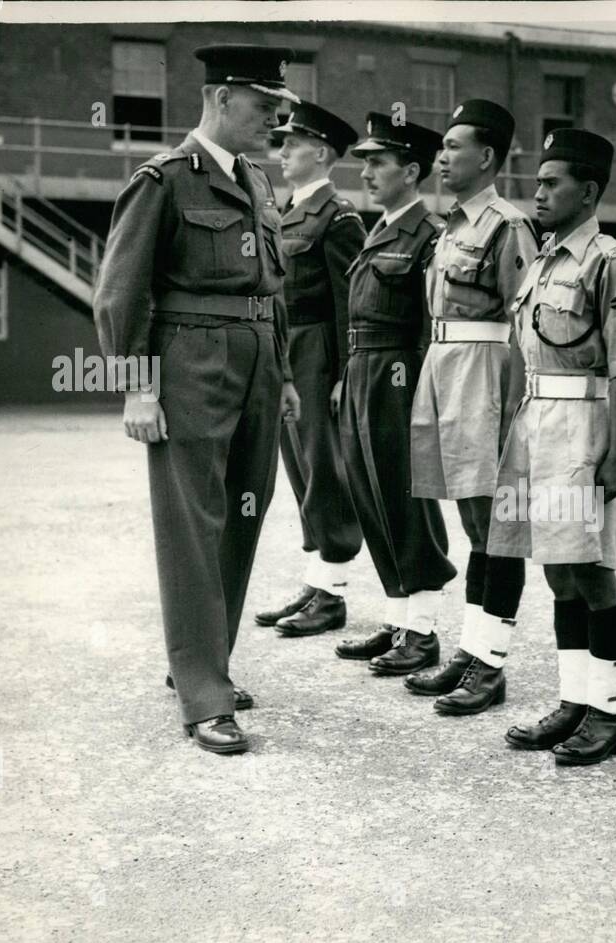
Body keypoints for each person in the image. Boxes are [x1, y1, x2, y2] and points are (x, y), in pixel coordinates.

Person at [94, 43, 299, 754]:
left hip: (260, 364)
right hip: (190, 360)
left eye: (280, 108)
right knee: (192, 523)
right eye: (264, 106)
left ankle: (203, 660)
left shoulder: (259, 184)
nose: (275, 119)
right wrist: (136, 387)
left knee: (244, 511)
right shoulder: (164, 180)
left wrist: (288, 379)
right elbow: (123, 293)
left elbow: (273, 290)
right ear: (220, 99)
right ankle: (204, 693)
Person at [490, 128, 616, 765]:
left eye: (553, 183)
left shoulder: (610, 261)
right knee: (557, 571)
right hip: (539, 424)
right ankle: (573, 702)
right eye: (537, 181)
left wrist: (613, 456)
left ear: (588, 191)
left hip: (584, 427)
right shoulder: (545, 260)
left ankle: (609, 714)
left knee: (591, 572)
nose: (539, 193)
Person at [405, 100, 540, 716]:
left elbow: (526, 326)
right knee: (471, 524)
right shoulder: (452, 225)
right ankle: (472, 648)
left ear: (486, 157)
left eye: (455, 146)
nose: (441, 155)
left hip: (483, 378)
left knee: (494, 527)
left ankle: (491, 663)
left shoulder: (507, 226)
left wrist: (514, 407)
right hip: (445, 371)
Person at [335, 112, 458, 673]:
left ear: (411, 171)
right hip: (363, 369)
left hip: (400, 373)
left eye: (377, 162)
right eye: (363, 161)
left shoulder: (430, 235)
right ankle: (399, 617)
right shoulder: (380, 229)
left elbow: (431, 323)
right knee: (369, 491)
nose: (366, 172)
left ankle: (425, 629)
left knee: (405, 498)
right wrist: (346, 377)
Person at [253, 100, 366, 637]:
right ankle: (317, 579)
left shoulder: (338, 216)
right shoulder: (283, 212)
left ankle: (333, 592)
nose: (281, 153)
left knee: (323, 464)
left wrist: (347, 372)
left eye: (291, 145)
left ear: (320, 153)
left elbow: (350, 302)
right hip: (285, 350)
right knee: (298, 466)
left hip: (318, 352)